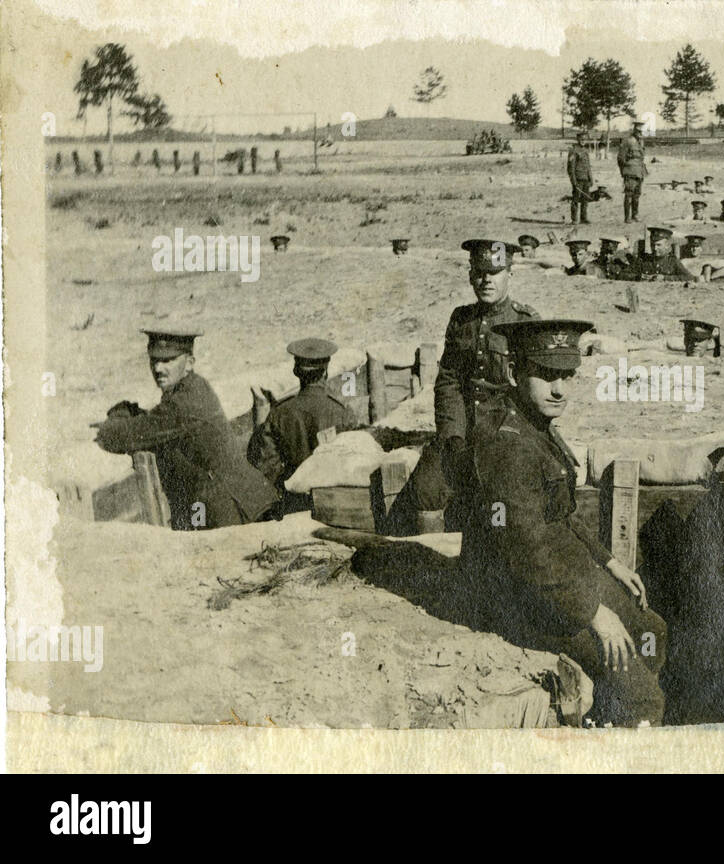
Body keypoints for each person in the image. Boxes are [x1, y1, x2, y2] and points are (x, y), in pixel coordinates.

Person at [461, 318, 668, 726]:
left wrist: (609, 563)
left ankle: (603, 713)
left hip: (558, 578)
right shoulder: (510, 447)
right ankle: (626, 719)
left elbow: (563, 513)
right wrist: (595, 614)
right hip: (521, 599)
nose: (559, 389)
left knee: (652, 630)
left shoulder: (535, 426)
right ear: (514, 373)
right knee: (646, 700)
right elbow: (526, 553)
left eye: (567, 376)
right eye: (545, 375)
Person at [388, 239, 539, 534]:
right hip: (463, 432)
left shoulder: (525, 321)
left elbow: (532, 392)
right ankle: (432, 566)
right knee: (426, 489)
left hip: (507, 436)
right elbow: (449, 382)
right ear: (471, 275)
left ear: (510, 273)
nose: (486, 280)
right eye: (479, 272)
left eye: (494, 273)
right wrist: (452, 435)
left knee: (501, 501)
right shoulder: (461, 320)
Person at [95, 328, 278, 530]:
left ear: (189, 363)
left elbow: (115, 437)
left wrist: (118, 414)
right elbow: (156, 423)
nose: (158, 368)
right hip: (235, 502)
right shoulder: (191, 387)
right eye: (154, 361)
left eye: (168, 361)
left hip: (236, 510)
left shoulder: (185, 402)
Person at [247, 337, 355, 514]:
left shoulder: (279, 414)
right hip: (334, 506)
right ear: (325, 372)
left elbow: (266, 467)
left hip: (293, 507)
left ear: (296, 371)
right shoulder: (342, 413)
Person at [616, 120, 648, 223]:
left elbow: (641, 158)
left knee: (637, 195)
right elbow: (620, 158)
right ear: (634, 130)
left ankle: (635, 215)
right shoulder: (628, 141)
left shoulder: (640, 142)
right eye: (638, 131)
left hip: (639, 172)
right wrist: (623, 172)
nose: (640, 134)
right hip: (630, 172)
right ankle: (627, 217)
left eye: (641, 132)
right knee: (629, 195)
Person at [566, 131, 593, 225]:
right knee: (575, 199)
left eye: (585, 139)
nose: (583, 141)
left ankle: (583, 218)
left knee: (585, 199)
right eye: (581, 139)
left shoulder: (585, 151)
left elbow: (588, 166)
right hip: (578, 179)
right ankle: (574, 219)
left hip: (586, 179)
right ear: (578, 139)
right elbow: (570, 168)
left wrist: (591, 179)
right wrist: (573, 181)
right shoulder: (573, 151)